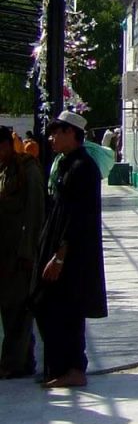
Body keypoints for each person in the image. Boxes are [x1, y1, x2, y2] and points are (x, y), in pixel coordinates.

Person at [33, 110, 107, 389]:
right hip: (58, 247)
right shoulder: (65, 164)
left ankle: (73, 368)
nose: (51, 138)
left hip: (71, 255)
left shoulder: (82, 168)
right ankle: (62, 366)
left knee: (66, 308)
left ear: (71, 134)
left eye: (57, 133)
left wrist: (60, 257)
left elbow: (77, 217)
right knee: (51, 305)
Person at [0, 125, 44, 378]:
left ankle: (12, 363)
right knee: (10, 308)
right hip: (5, 254)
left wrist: (28, 252)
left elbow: (35, 213)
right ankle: (22, 360)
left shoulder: (27, 170)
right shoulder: (5, 170)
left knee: (17, 309)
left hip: (19, 254)